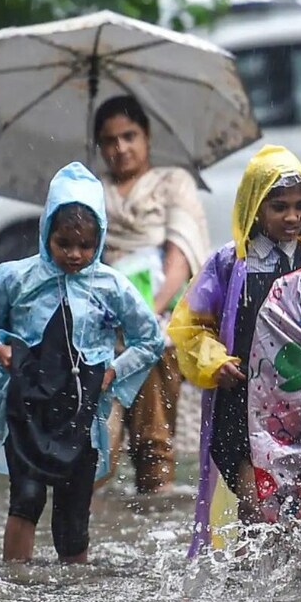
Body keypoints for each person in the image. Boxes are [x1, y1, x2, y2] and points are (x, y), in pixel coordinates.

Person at [0, 162, 163, 563]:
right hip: (27, 410)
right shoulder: (15, 279)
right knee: (26, 500)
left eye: (85, 245)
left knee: (73, 521)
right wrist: (0, 351)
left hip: (82, 415)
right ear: (45, 234)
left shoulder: (112, 286)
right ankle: (17, 586)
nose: (74, 254)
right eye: (64, 243)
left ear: (100, 239)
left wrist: (113, 372)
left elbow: (149, 339)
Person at [166, 146, 301, 554]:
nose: (292, 217)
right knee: (256, 508)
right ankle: (248, 593)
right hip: (242, 406)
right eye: (279, 207)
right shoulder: (228, 265)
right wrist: (213, 361)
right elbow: (190, 328)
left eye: (299, 206)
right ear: (255, 207)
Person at [93, 94, 210, 494]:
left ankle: (154, 491)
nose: (120, 147)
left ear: (147, 137)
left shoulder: (171, 183)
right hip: (101, 325)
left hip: (159, 320)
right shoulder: (92, 194)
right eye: (110, 140)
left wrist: (145, 315)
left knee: (152, 439)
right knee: (94, 449)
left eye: (129, 136)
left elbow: (181, 257)